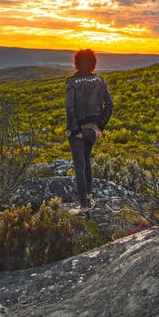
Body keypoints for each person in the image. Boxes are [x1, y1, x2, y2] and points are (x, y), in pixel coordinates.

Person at [65, 48, 114, 216]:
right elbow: (110, 105)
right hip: (92, 130)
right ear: (93, 63)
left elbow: (70, 108)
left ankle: (84, 208)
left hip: (77, 132)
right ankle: (89, 195)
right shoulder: (99, 81)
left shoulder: (72, 82)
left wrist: (75, 129)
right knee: (87, 161)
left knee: (79, 167)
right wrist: (100, 126)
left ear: (76, 62)